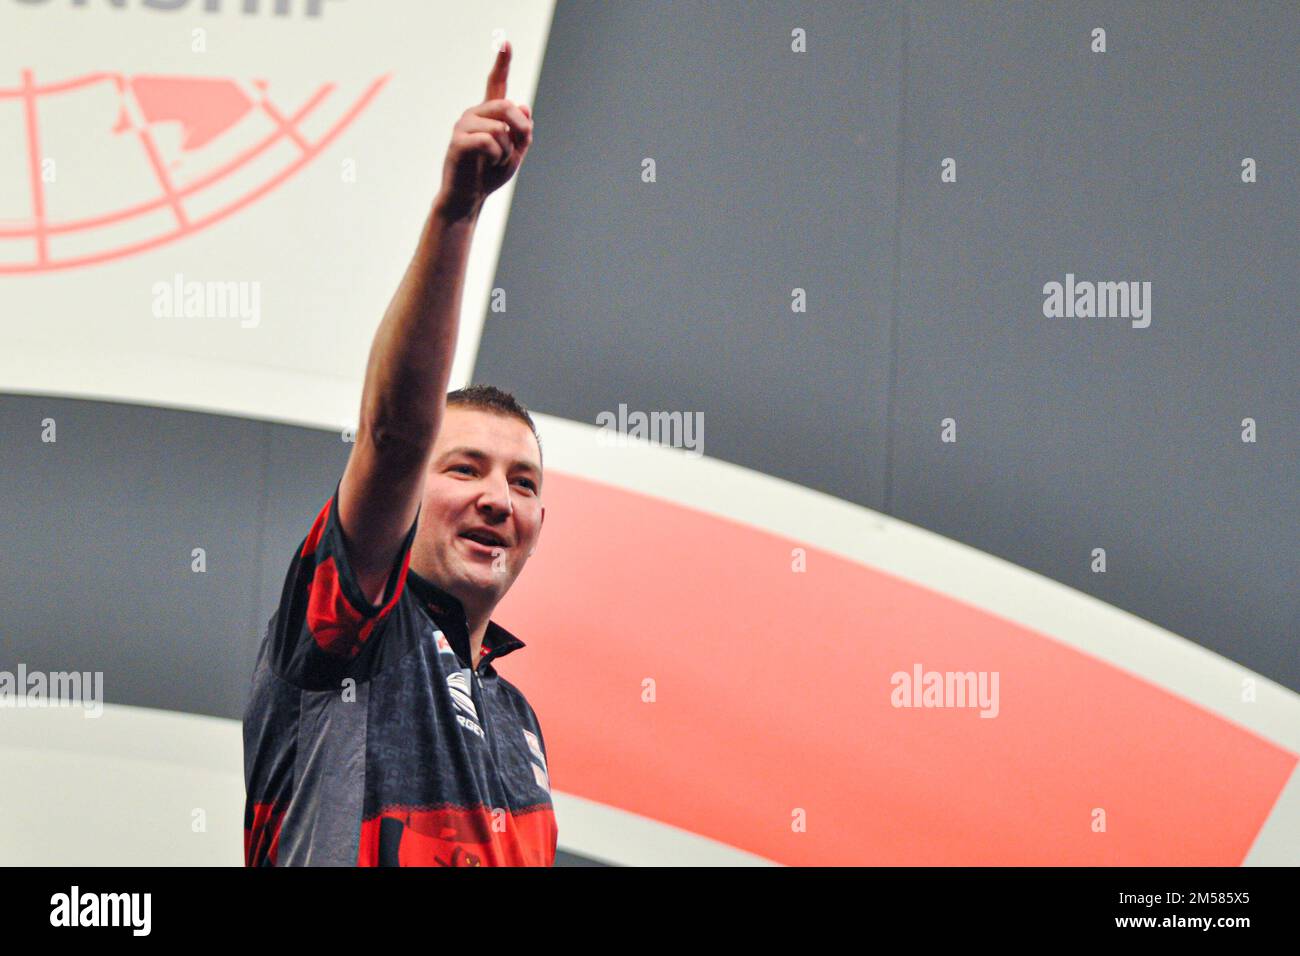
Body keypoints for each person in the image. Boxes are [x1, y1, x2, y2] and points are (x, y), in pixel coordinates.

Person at [242, 41, 554, 866]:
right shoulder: (353, 631)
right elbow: (393, 434)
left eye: (523, 483)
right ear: (411, 493)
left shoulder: (520, 721)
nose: (499, 499)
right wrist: (457, 212)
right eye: (465, 468)